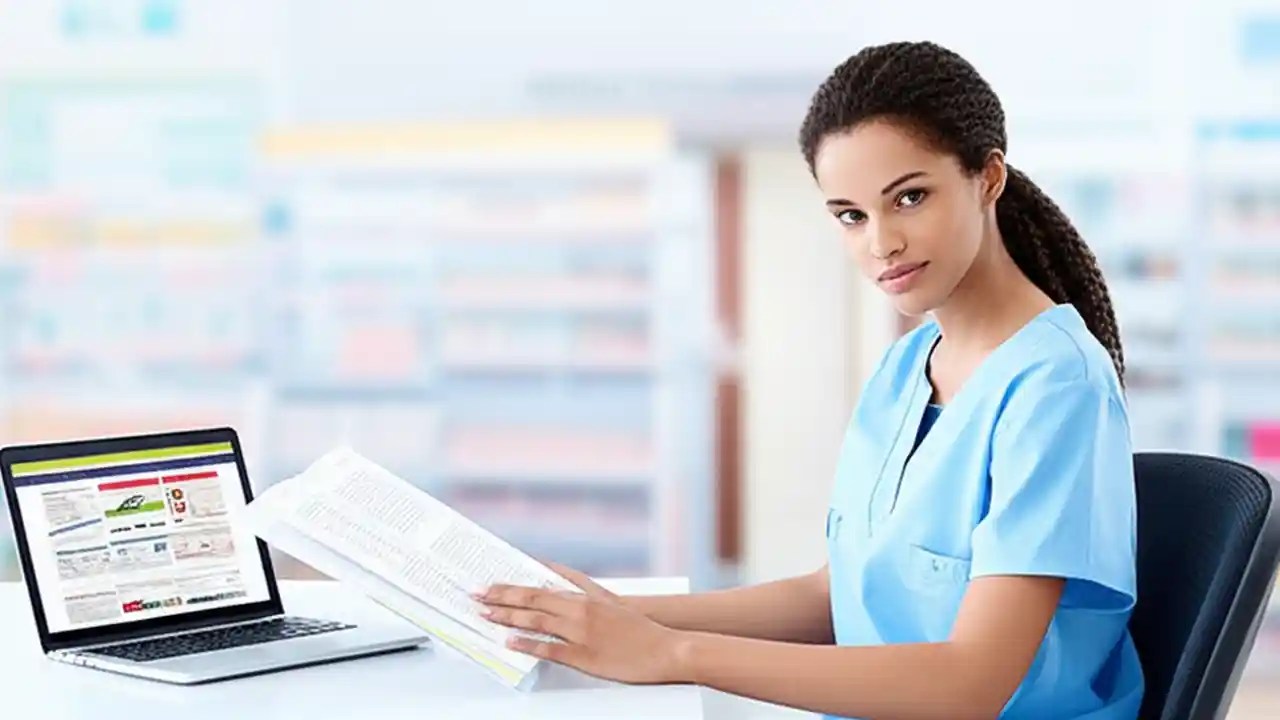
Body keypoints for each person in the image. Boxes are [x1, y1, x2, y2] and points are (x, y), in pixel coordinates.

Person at [476, 40, 1143, 720]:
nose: (881, 242)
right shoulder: (906, 369)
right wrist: (614, 614)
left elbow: (970, 683)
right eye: (851, 215)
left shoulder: (1057, 387)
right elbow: (835, 597)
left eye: (909, 198)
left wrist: (670, 654)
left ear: (987, 178)